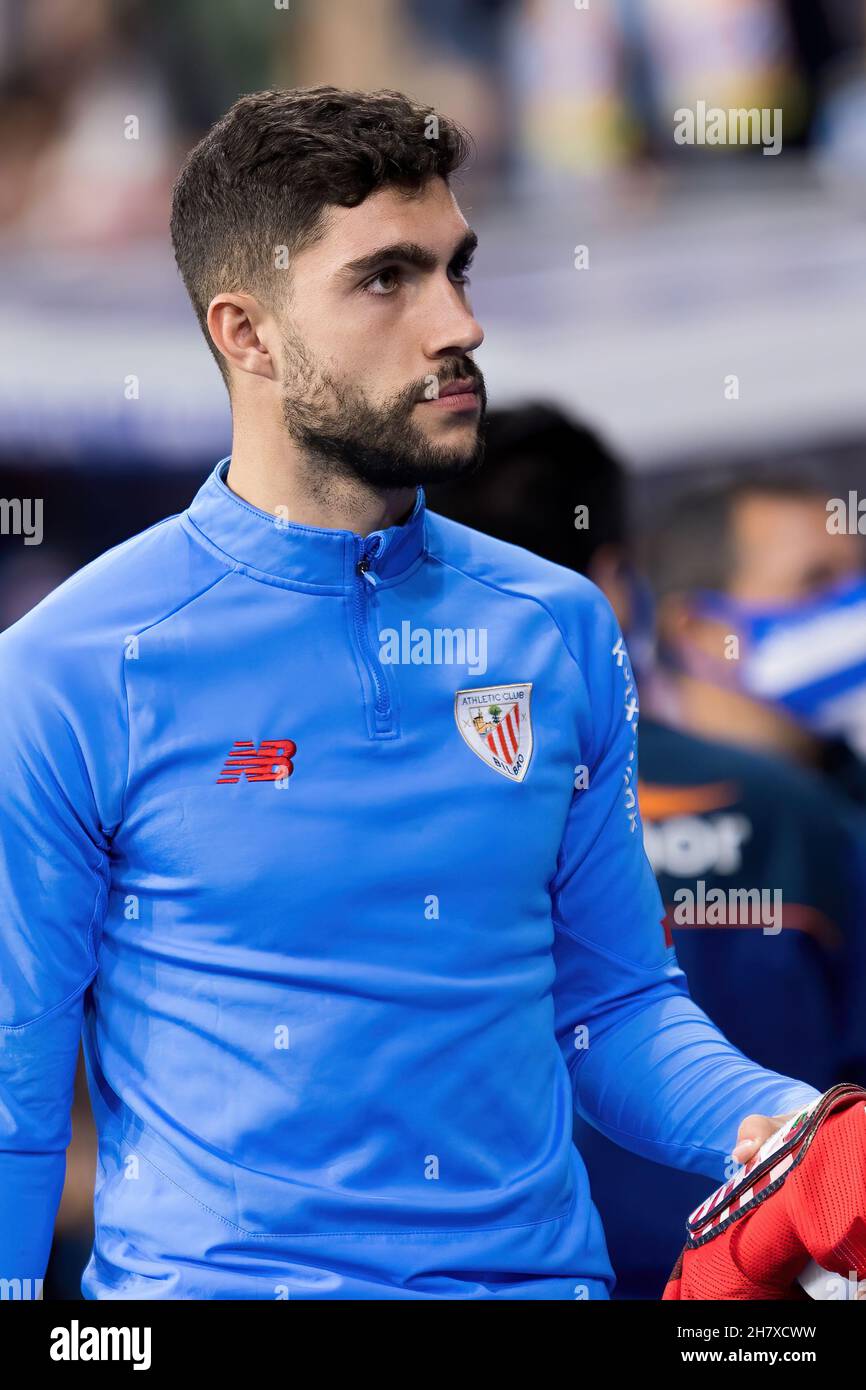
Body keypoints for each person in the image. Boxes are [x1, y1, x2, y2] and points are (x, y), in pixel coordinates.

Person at [0, 87, 821, 1302]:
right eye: (386, 278)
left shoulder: (556, 626)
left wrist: (802, 1133)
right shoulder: (69, 665)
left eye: (456, 268)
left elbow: (612, 1009)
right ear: (247, 333)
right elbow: (15, 1098)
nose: (460, 325)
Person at [431, 408, 866, 1298]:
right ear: (627, 593)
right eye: (817, 582)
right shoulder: (800, 818)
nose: (849, 610)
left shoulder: (410, 807)